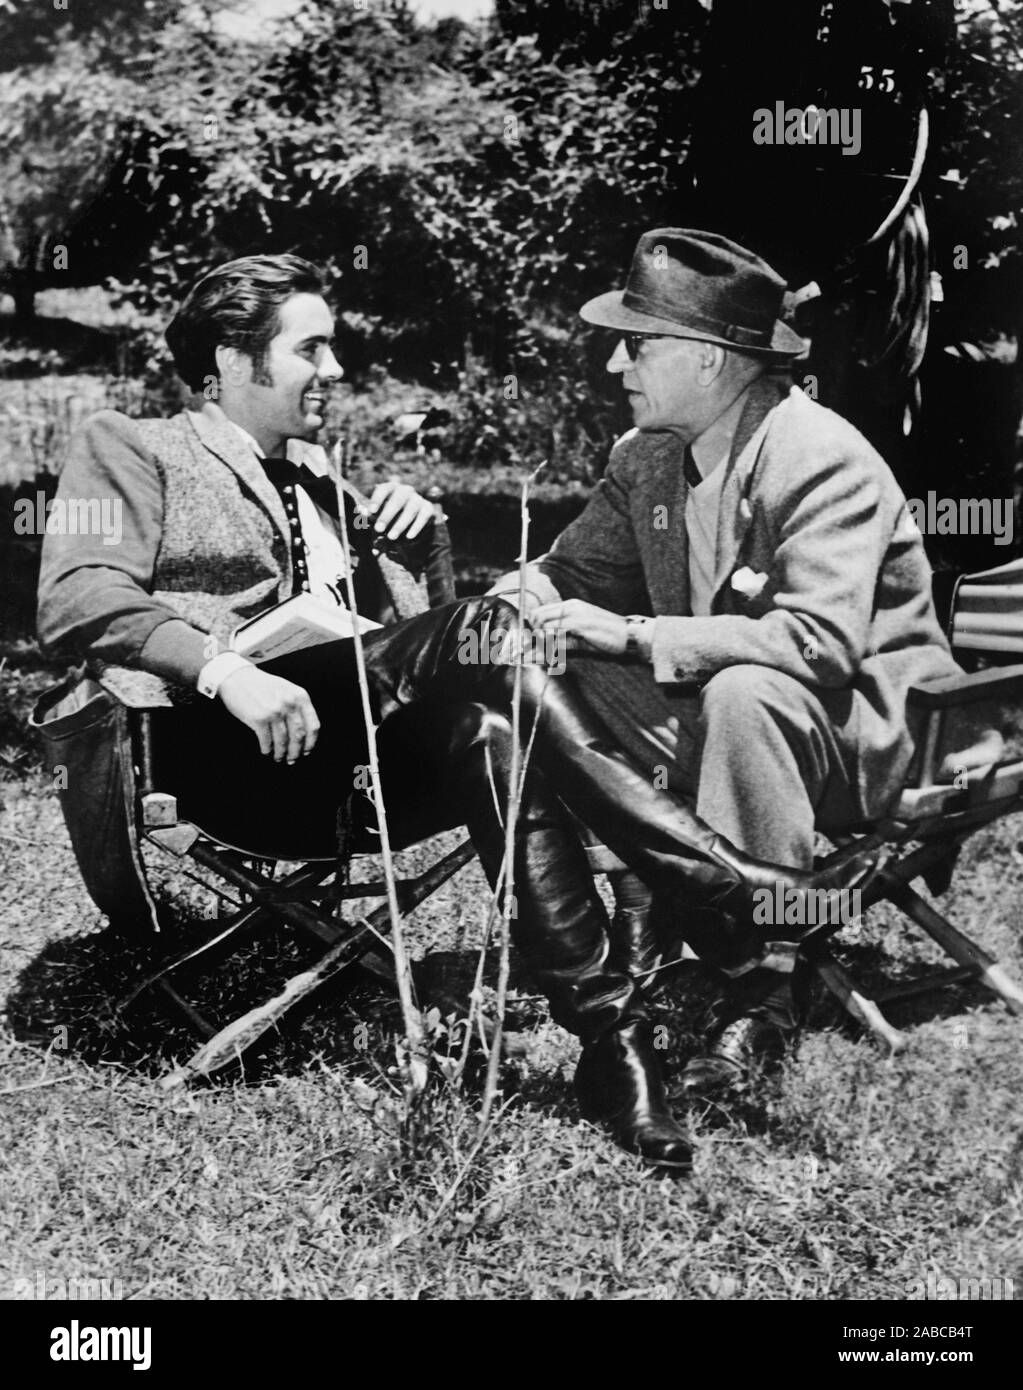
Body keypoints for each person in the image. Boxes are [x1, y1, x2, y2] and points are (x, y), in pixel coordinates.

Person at [37, 251, 873, 1172]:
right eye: (312, 350)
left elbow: (408, 648)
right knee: (483, 636)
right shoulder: (132, 443)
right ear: (235, 359)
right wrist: (222, 668)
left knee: (489, 727)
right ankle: (717, 878)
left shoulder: (324, 480)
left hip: (342, 765)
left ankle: (610, 1044)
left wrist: (421, 547)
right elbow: (76, 596)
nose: (335, 371)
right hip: (219, 753)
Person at [492, 228, 963, 1096]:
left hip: (866, 739)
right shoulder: (647, 458)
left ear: (707, 360)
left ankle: (760, 988)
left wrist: (633, 635)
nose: (614, 368)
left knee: (745, 691)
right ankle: (624, 931)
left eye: (636, 346)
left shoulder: (819, 457)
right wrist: (510, 601)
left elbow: (816, 645)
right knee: (539, 664)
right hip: (733, 721)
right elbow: (566, 573)